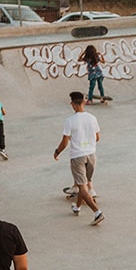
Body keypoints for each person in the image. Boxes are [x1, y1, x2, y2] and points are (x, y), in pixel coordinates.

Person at [53, 92, 105, 225]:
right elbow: (97, 137)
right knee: (84, 183)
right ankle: (77, 207)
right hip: (92, 155)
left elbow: (64, 142)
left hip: (77, 157)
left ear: (72, 104)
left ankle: (97, 212)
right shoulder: (92, 118)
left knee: (82, 186)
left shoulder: (70, 121)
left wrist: (57, 152)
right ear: (84, 102)